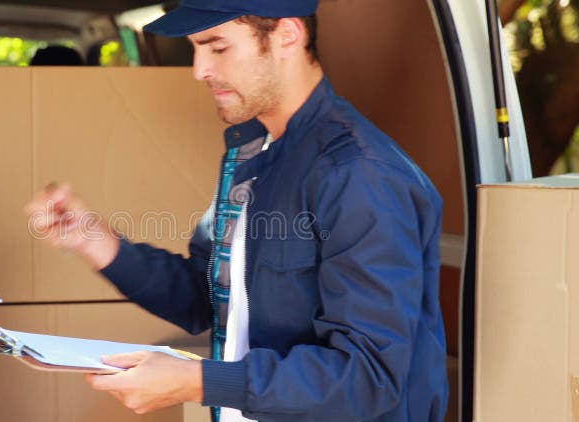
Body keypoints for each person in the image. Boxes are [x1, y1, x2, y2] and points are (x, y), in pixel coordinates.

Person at [24, 0, 448, 420]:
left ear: (287, 35)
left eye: (218, 47)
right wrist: (95, 242)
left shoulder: (358, 173)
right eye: (196, 48)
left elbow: (369, 377)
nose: (199, 69)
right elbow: (209, 297)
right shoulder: (249, 153)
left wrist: (198, 381)